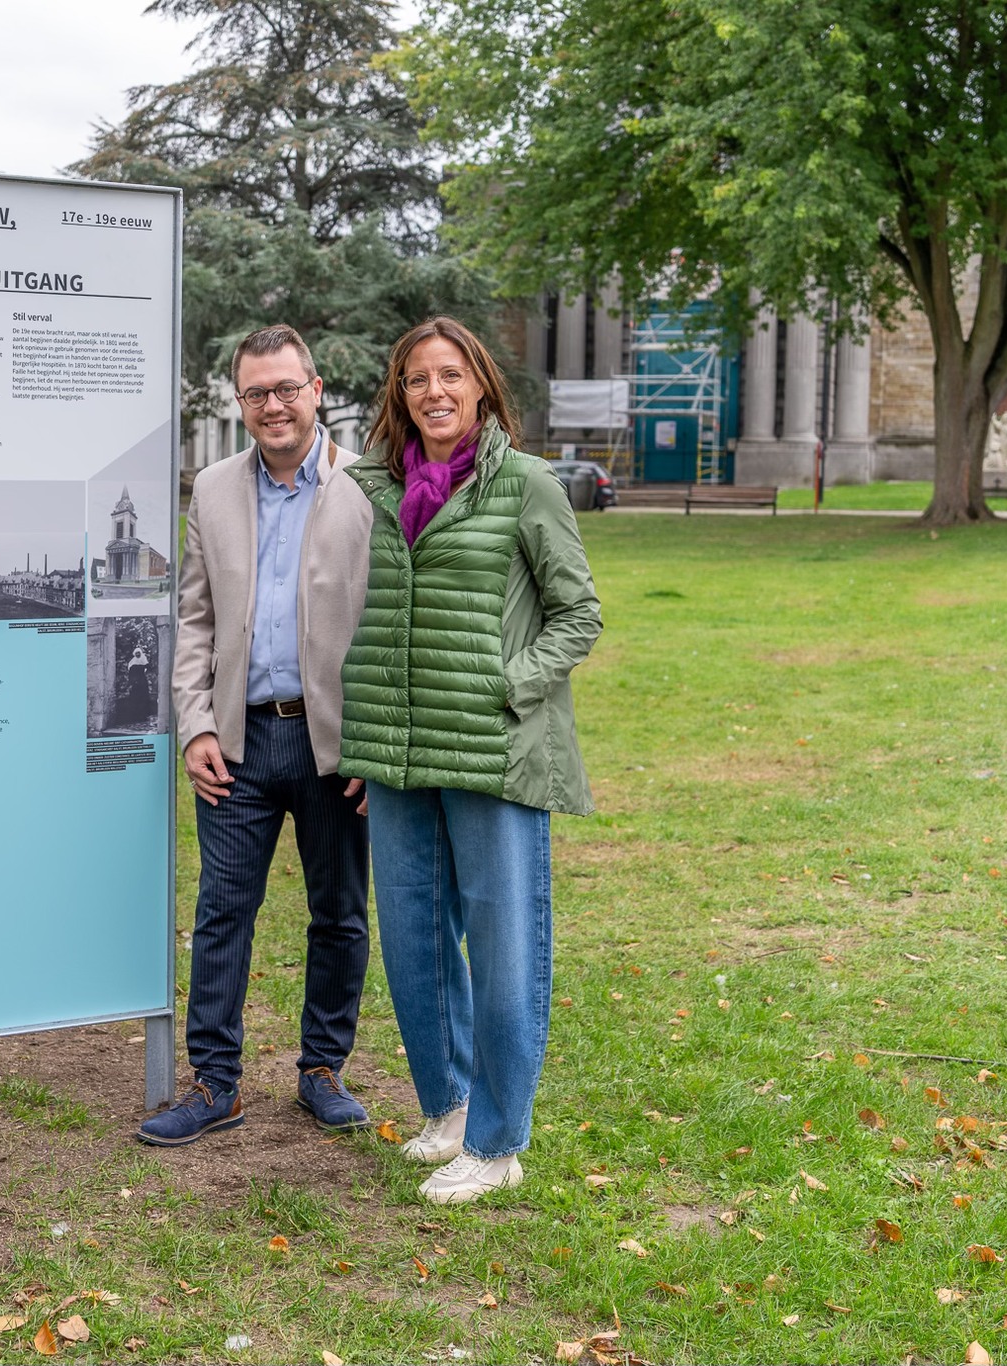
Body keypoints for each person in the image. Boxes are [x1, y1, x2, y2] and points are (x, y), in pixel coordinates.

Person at [338, 315, 602, 1205]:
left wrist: (507, 684)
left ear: (481, 386)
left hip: (494, 751)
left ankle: (497, 1141)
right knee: (414, 944)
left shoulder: (527, 485)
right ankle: (448, 1108)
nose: (435, 392)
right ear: (399, 395)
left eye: (451, 375)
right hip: (401, 754)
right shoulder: (373, 488)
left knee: (502, 945)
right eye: (418, 379)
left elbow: (579, 613)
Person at [147, 324, 374, 1146]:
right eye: (255, 393)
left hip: (335, 747)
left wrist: (374, 745)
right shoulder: (211, 489)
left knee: (340, 913)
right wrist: (195, 726)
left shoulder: (367, 486)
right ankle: (215, 1083)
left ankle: (322, 1068)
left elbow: (388, 624)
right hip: (237, 742)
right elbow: (195, 618)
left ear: (317, 388)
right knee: (221, 913)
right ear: (239, 401)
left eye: (286, 388)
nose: (272, 405)